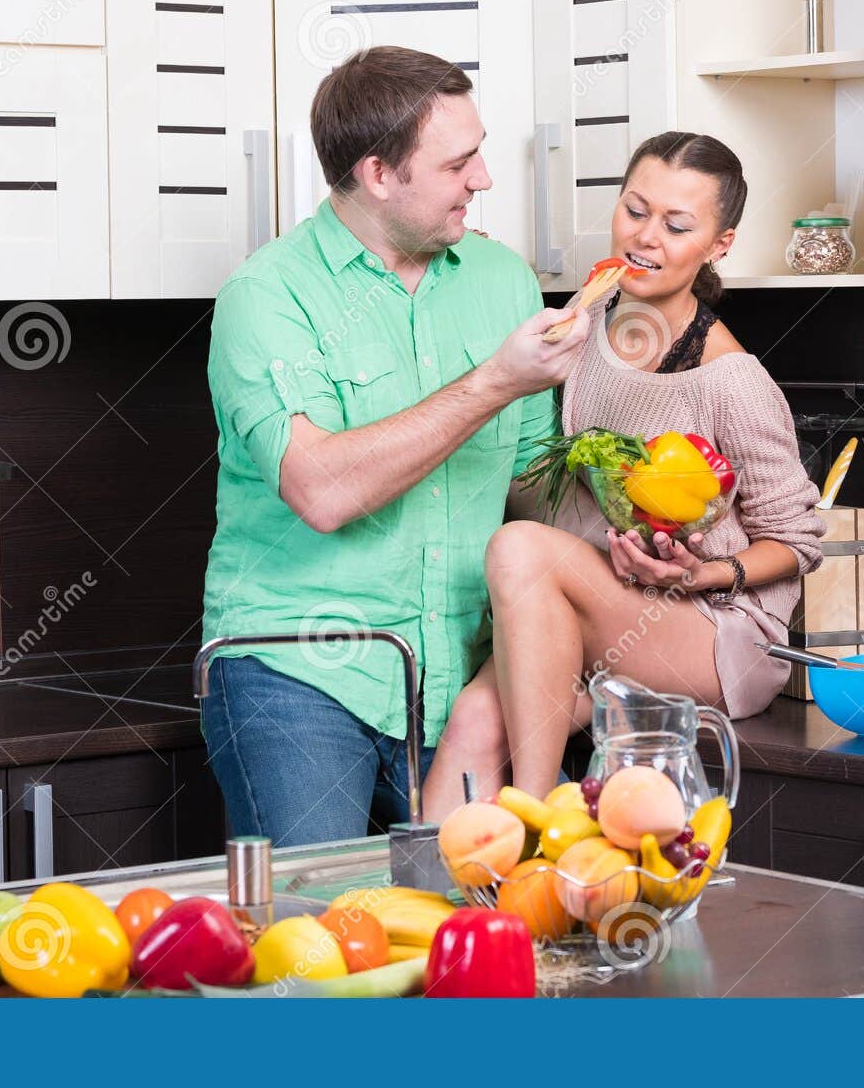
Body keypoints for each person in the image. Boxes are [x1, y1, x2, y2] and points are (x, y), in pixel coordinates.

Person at [202, 46, 594, 847]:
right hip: (301, 673)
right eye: (459, 163)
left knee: (499, 928)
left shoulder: (502, 280)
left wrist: (636, 526)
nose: (483, 179)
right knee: (319, 945)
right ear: (378, 174)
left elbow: (529, 484)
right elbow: (321, 489)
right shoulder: (266, 296)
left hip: (468, 675)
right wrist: (493, 381)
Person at [423, 132, 825, 813]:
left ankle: (537, 817)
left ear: (719, 245)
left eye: (676, 225)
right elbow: (555, 478)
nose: (646, 237)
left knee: (519, 548)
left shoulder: (730, 377)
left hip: (714, 631)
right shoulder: (585, 319)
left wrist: (702, 572)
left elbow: (799, 540)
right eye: (635, 210)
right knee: (471, 725)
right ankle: (441, 913)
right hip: (605, 602)